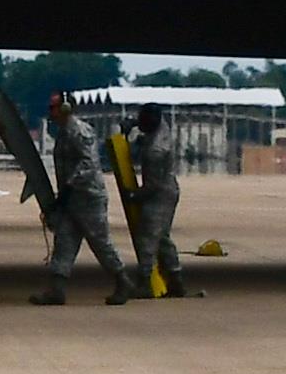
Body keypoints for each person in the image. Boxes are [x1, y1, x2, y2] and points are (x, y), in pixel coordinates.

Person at [29, 81, 136, 305]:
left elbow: (89, 163)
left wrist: (68, 187)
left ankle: (122, 280)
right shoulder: (64, 132)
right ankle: (56, 290)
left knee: (99, 242)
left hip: (88, 197)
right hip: (72, 198)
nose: (51, 112)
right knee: (64, 241)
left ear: (66, 108)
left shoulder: (79, 131)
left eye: (54, 107)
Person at [124, 100, 196, 294]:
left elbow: (153, 186)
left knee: (147, 237)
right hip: (167, 188)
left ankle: (145, 283)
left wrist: (134, 196)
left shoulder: (156, 150)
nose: (140, 122)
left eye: (142, 120)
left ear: (152, 120)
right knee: (162, 239)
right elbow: (142, 138)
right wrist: (133, 131)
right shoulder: (160, 128)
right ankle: (176, 281)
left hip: (160, 193)